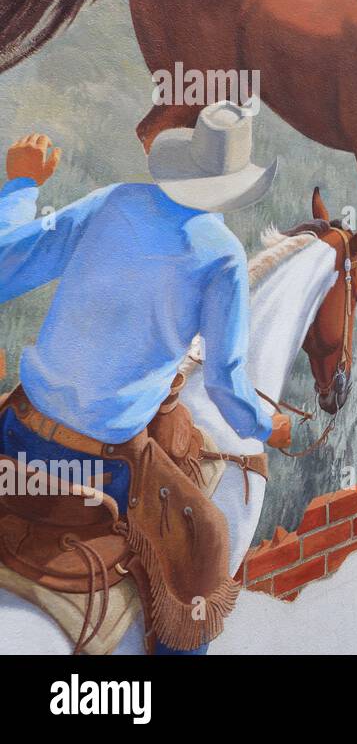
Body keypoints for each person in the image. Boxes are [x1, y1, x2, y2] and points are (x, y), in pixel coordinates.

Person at [0, 104, 292, 654]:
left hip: (17, 428)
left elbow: (3, 269)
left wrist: (20, 184)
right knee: (206, 539)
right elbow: (226, 382)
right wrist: (266, 424)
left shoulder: (114, 203)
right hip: (103, 463)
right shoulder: (222, 256)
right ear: (234, 187)